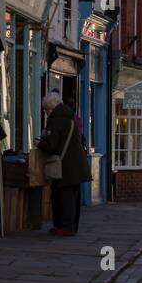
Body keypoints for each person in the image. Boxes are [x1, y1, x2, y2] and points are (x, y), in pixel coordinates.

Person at [37, 91, 90, 236]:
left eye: (45, 109)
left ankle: (65, 227)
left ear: (50, 108)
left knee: (62, 197)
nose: (46, 112)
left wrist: (40, 143)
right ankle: (72, 227)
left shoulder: (54, 120)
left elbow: (52, 145)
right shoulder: (70, 118)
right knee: (73, 197)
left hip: (65, 166)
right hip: (77, 164)